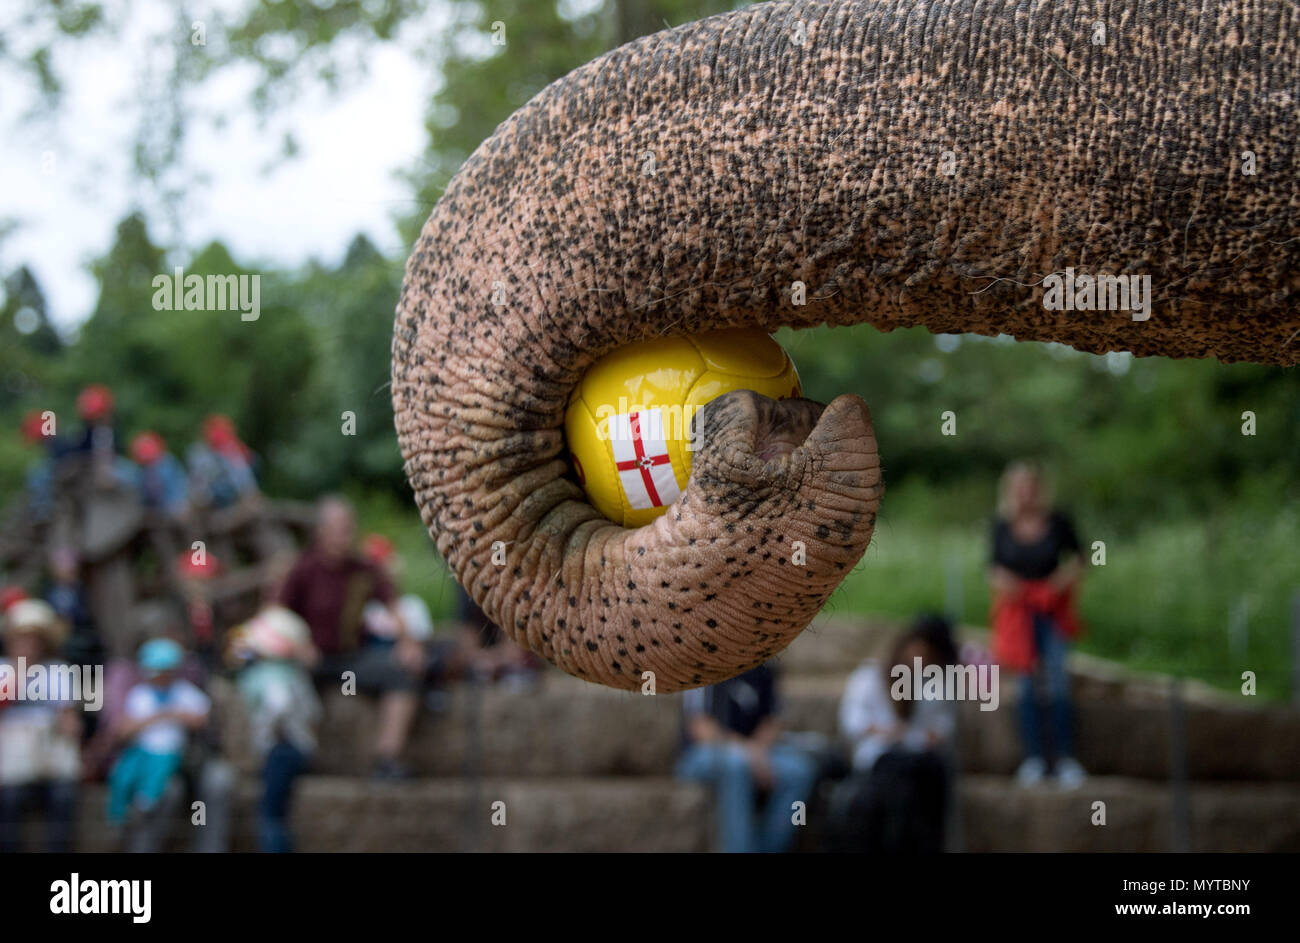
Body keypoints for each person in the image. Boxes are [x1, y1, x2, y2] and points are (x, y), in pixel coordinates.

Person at [277, 496, 423, 779]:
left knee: (403, 674)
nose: (346, 536)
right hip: (312, 659)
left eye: (349, 528)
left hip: (352, 657)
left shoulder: (364, 569)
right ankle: (295, 758)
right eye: (339, 528)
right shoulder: (303, 569)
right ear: (321, 532)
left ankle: (387, 757)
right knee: (285, 690)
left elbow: (394, 606)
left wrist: (408, 642)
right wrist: (299, 646)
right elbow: (278, 615)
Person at [988, 461, 1086, 789]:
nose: (1026, 493)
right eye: (1021, 487)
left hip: (1051, 611)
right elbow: (992, 567)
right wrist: (1008, 585)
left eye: (1031, 486)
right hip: (1018, 614)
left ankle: (1064, 758)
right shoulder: (1002, 525)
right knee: (1027, 687)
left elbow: (1080, 557)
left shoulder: (1058, 521)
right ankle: (1033, 758)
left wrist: (1061, 581)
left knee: (1057, 682)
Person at [834, 616, 958, 853]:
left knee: (934, 771)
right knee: (900, 786)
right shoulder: (870, 676)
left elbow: (942, 724)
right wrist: (884, 730)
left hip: (917, 755)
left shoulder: (931, 681)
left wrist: (933, 735)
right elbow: (852, 721)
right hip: (881, 755)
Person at [676, 662, 817, 853]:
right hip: (702, 755)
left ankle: (769, 848)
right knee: (735, 765)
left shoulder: (765, 667)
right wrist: (748, 753)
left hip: (756, 752)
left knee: (799, 771)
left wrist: (756, 753)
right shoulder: (703, 664)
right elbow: (700, 727)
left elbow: (772, 721)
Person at [229, 606, 320, 853]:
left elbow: (278, 707)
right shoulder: (295, 674)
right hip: (296, 749)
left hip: (281, 751)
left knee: (271, 815)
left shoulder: (268, 676)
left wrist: (269, 736)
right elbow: (313, 713)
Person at [107, 638, 212, 851]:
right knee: (122, 774)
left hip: (170, 753)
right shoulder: (140, 694)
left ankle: (146, 803)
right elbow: (124, 729)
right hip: (141, 751)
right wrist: (157, 717)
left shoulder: (184, 692)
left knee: (162, 780)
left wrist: (173, 714)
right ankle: (118, 816)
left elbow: (202, 718)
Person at [0, 600, 83, 853]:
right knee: (9, 800)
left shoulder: (58, 671)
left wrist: (67, 727)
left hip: (50, 761)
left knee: (64, 797)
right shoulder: (2, 669)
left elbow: (70, 721)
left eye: (34, 639)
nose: (28, 644)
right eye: (22, 638)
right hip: (9, 763)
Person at [44, 545, 102, 668]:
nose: (68, 573)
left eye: (71, 569)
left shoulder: (82, 591)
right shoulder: (51, 592)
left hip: (81, 639)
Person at [187, 414, 259, 510]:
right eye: (214, 431)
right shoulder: (199, 452)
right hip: (208, 496)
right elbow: (198, 479)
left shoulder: (233, 451)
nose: (217, 435)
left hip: (230, 494)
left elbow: (242, 476)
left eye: (221, 432)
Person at [129, 432, 190, 518]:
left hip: (173, 506)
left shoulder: (168, 463)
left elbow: (180, 488)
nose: (144, 453)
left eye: (147, 448)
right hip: (154, 510)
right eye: (141, 450)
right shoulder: (140, 471)